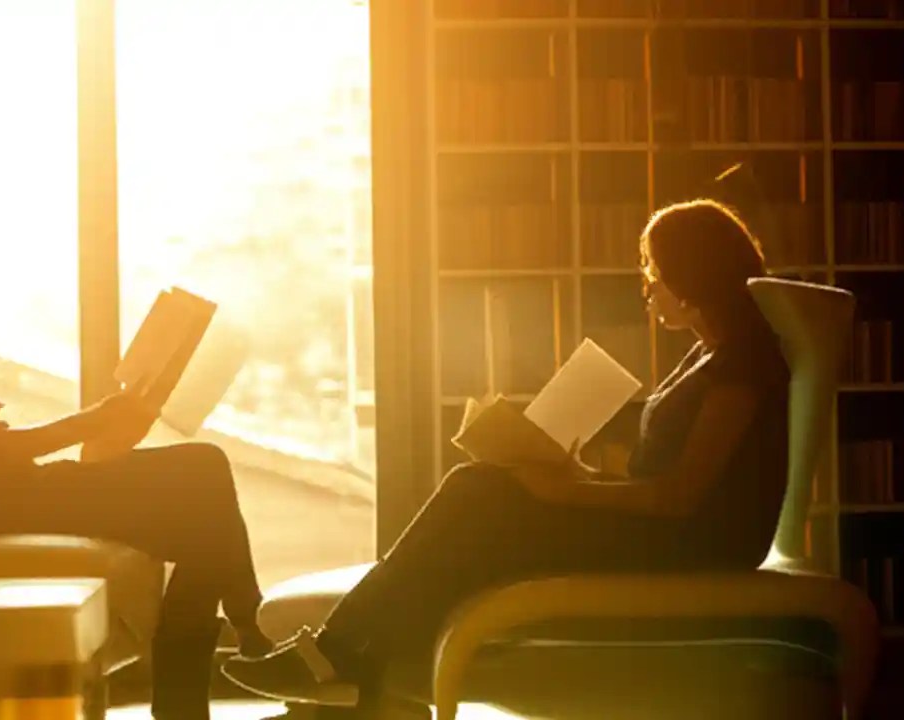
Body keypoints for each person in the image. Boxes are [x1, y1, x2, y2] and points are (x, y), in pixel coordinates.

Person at [223, 198, 791, 708]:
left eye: (654, 271)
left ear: (691, 277)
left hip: (693, 544)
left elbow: (680, 497)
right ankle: (358, 664)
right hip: (663, 530)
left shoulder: (740, 366)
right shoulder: (706, 356)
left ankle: (349, 658)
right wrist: (577, 476)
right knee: (482, 494)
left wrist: (567, 492)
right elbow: (664, 481)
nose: (646, 287)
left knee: (478, 494)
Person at [0, 168, 274, 720]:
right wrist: (90, 424)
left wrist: (97, 426)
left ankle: (229, 658)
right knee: (203, 471)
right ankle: (249, 638)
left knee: (201, 511)